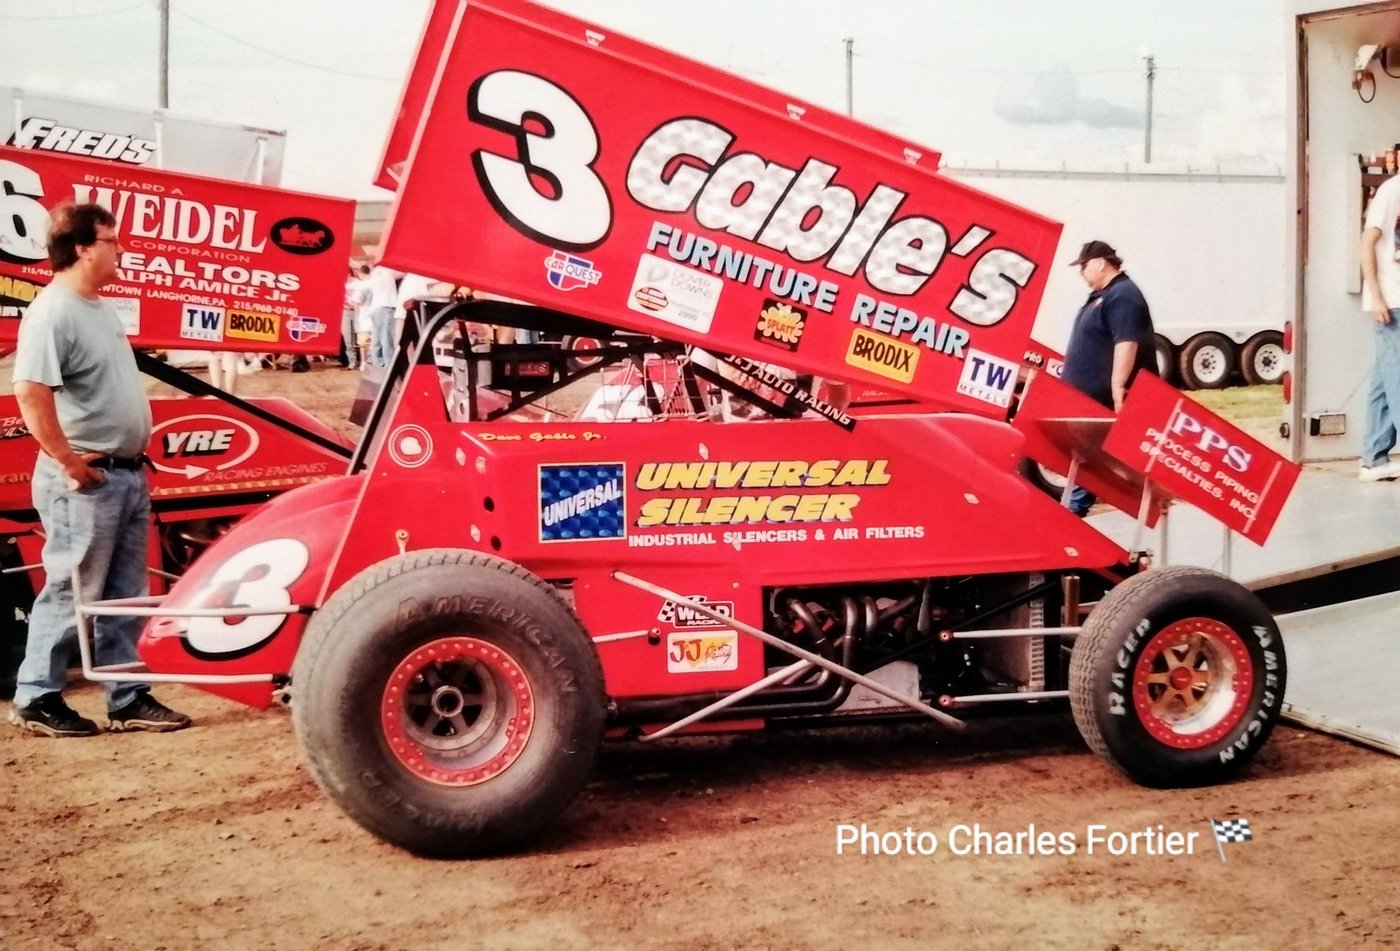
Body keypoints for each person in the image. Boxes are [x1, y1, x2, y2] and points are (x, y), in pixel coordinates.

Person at [8, 202, 191, 737]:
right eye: (112, 240)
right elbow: (30, 391)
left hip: (124, 474)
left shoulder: (97, 307)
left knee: (123, 591)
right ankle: (36, 696)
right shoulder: (54, 311)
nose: (121, 249)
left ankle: (126, 695)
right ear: (84, 247)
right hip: (87, 481)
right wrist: (68, 462)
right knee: (71, 588)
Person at [1060, 240, 1159, 516]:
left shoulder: (1123, 295)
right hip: (1088, 402)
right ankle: (1073, 511)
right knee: (1087, 457)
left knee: (1094, 459)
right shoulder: (1104, 295)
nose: (1081, 273)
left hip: (1103, 402)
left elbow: (1126, 342)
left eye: (1084, 266)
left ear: (1101, 263)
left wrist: (1118, 385)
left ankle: (1073, 514)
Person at [1357, 177, 1400, 482]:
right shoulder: (1391, 191)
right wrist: (1376, 296)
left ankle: (1374, 459)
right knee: (1397, 378)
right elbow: (1367, 243)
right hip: (1393, 299)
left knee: (1384, 383)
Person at [365, 264, 400, 367]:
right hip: (386, 306)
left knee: (377, 339)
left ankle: (377, 364)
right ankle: (390, 367)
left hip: (376, 308)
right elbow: (402, 273)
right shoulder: (388, 270)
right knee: (387, 339)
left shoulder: (375, 272)